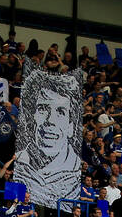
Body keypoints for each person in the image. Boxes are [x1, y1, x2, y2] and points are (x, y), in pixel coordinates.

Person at [11, 70, 82, 209]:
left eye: (60, 112)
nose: (51, 121)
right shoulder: (19, 165)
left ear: (71, 125)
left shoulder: (76, 178)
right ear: (31, 119)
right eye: (43, 109)